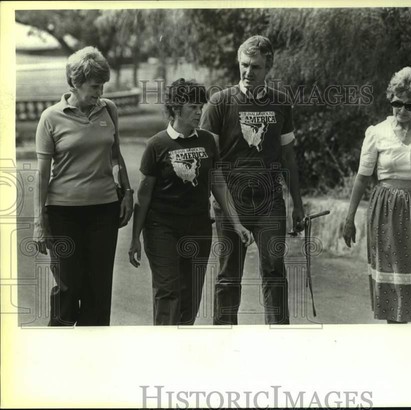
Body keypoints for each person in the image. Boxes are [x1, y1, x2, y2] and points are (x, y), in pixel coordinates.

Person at [128, 78, 253, 326]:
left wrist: (237, 224)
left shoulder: (207, 141)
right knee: (168, 292)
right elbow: (144, 195)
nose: (199, 112)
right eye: (193, 107)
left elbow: (218, 183)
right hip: (162, 229)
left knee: (190, 298)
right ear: (175, 108)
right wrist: (135, 237)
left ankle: (182, 350)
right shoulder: (157, 144)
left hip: (198, 229)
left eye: (200, 106)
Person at [200, 35, 305, 325]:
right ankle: (223, 341)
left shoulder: (281, 104)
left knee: (274, 269)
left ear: (268, 67)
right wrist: (207, 204)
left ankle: (278, 338)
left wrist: (298, 204)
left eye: (256, 67)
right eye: (244, 65)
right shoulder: (219, 103)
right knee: (228, 275)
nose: (248, 72)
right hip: (231, 201)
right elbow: (207, 162)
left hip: (269, 200)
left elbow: (288, 158)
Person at [342, 66, 411, 324]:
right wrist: (349, 219)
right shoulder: (376, 132)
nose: (402, 110)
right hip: (385, 210)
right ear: (390, 98)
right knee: (391, 287)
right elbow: (362, 177)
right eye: (397, 103)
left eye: (410, 106)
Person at [33, 46, 134, 326]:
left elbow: (115, 154)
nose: (99, 91)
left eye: (102, 85)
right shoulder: (50, 118)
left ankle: (93, 358)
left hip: (104, 211)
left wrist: (127, 191)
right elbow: (42, 176)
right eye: (94, 86)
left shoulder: (108, 110)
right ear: (74, 83)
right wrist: (39, 223)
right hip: (63, 213)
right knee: (69, 287)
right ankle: (59, 353)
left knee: (98, 292)